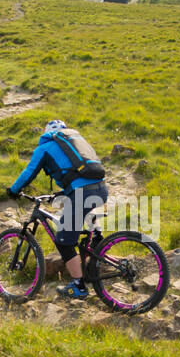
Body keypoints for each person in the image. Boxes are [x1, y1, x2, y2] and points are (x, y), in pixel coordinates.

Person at [6, 120, 108, 299]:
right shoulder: (74, 143)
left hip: (81, 193)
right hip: (101, 189)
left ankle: (79, 287)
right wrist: (65, 191)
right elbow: (79, 174)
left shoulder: (44, 148)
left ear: (46, 134)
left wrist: (13, 191)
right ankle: (97, 239)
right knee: (81, 213)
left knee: (63, 241)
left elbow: (29, 172)